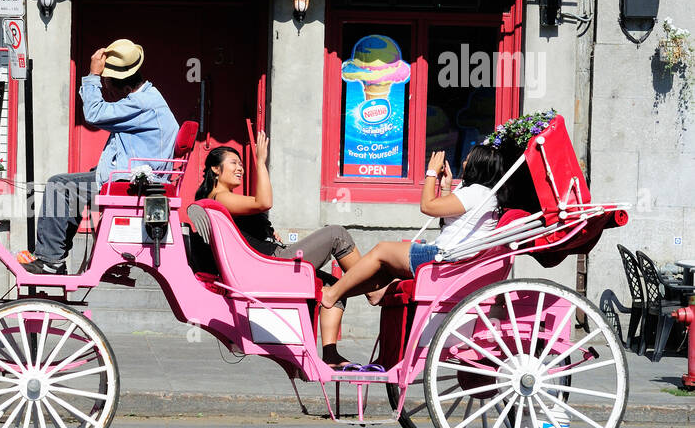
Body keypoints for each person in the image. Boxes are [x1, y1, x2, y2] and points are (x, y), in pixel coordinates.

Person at [196, 139, 362, 367]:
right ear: (215, 168)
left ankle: (330, 355)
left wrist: (266, 233)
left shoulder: (222, 200)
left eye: (242, 164)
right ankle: (373, 286)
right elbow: (264, 202)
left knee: (336, 288)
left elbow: (252, 224)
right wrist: (261, 162)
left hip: (270, 260)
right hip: (272, 263)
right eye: (234, 163)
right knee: (336, 234)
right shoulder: (219, 198)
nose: (240, 168)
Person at [20, 39, 178, 275]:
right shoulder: (146, 98)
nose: (106, 91)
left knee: (58, 185)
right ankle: (54, 257)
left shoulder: (143, 103)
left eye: (107, 85)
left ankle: (51, 259)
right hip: (132, 179)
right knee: (70, 185)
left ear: (122, 86)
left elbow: (94, 113)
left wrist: (93, 76)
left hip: (132, 185)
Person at [320, 143, 507, 311]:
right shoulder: (486, 195)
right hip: (453, 257)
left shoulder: (475, 193)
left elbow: (428, 206)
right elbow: (451, 221)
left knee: (382, 249)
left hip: (443, 258)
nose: (464, 163)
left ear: (477, 165)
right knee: (386, 267)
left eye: (467, 160)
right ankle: (369, 293)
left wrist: (431, 173)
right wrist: (446, 187)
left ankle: (333, 293)